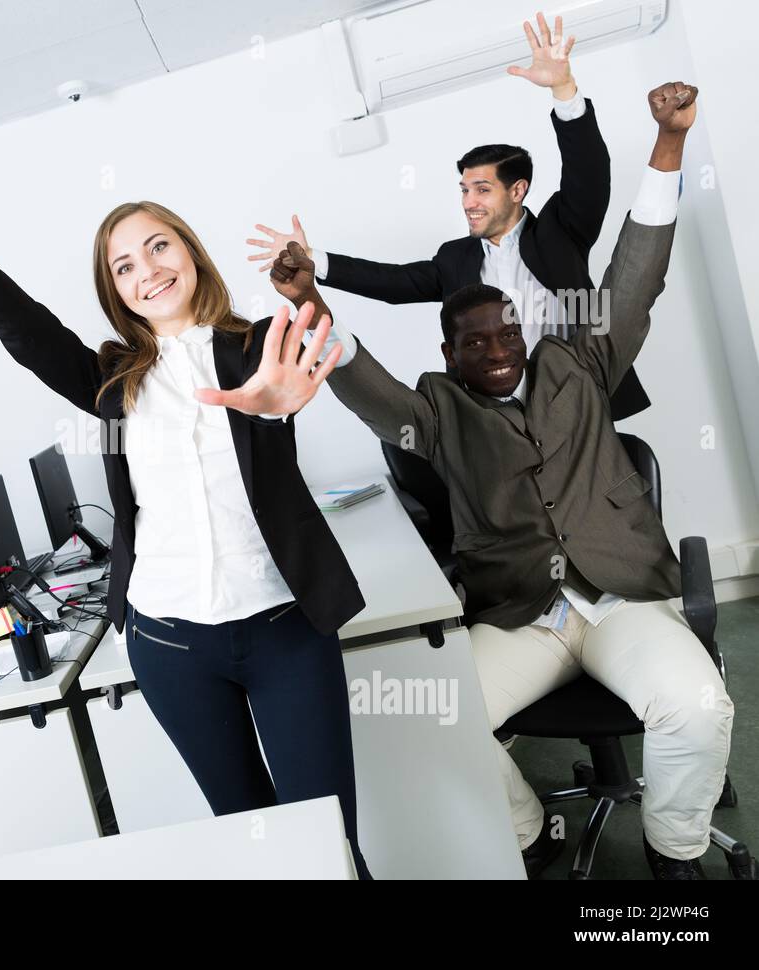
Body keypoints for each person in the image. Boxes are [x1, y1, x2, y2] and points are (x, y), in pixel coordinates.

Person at [0, 98, 373, 876]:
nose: (147, 271)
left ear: (193, 253)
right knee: (259, 854)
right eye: (124, 266)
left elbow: (306, 353)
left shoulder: (253, 351)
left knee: (330, 851)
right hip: (172, 644)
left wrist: (278, 395)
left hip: (285, 629)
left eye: (158, 246)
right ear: (114, 290)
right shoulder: (112, 383)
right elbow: (19, 324)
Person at [270, 82, 732, 879]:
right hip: (525, 618)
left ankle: (673, 850)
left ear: (525, 327)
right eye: (473, 341)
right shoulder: (439, 413)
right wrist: (310, 300)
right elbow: (362, 378)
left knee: (699, 705)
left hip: (623, 597)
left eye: (505, 331)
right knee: (435, 721)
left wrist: (669, 141)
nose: (495, 350)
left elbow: (638, 268)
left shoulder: (581, 361)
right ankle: (528, 832)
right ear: (450, 354)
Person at [249, 12, 650, 420]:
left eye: (482, 189)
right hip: (494, 419)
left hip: (577, 404)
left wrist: (564, 90)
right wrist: (314, 258)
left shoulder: (560, 230)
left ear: (518, 190)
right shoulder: (455, 258)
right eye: (464, 190)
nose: (468, 202)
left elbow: (589, 173)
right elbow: (393, 282)